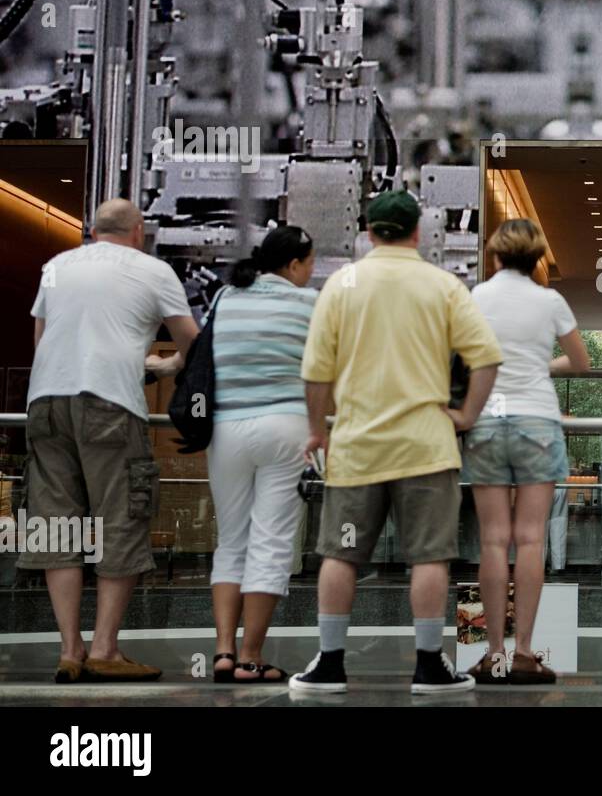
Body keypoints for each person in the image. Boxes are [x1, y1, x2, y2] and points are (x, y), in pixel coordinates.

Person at [288, 191, 502, 695]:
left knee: (341, 554)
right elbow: (487, 358)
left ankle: (330, 664)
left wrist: (317, 429)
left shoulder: (343, 284)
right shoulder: (442, 285)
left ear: (369, 233)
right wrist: (466, 415)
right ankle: (429, 666)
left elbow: (316, 371)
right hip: (426, 446)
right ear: (417, 233)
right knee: (428, 556)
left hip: (357, 447)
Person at [19, 199, 199, 682]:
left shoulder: (56, 266)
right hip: (110, 404)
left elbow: (43, 341)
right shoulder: (154, 270)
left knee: (57, 523)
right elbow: (192, 342)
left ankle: (69, 650)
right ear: (138, 230)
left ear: (93, 231)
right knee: (120, 516)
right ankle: (105, 649)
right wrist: (168, 365)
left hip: (47, 401)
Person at [463, 218, 590, 684]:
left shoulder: (475, 297)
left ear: (495, 255)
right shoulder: (550, 301)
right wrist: (540, 365)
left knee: (493, 539)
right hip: (537, 420)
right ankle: (524, 652)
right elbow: (581, 362)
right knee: (532, 539)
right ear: (537, 259)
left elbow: (462, 359)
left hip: (487, 420)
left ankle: (493, 653)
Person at [201, 226, 317, 682]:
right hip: (286, 427)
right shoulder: (310, 303)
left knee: (231, 540)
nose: (311, 272)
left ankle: (223, 652)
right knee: (271, 541)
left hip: (226, 428)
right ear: (294, 264)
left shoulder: (225, 297)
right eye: (309, 263)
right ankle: (251, 657)